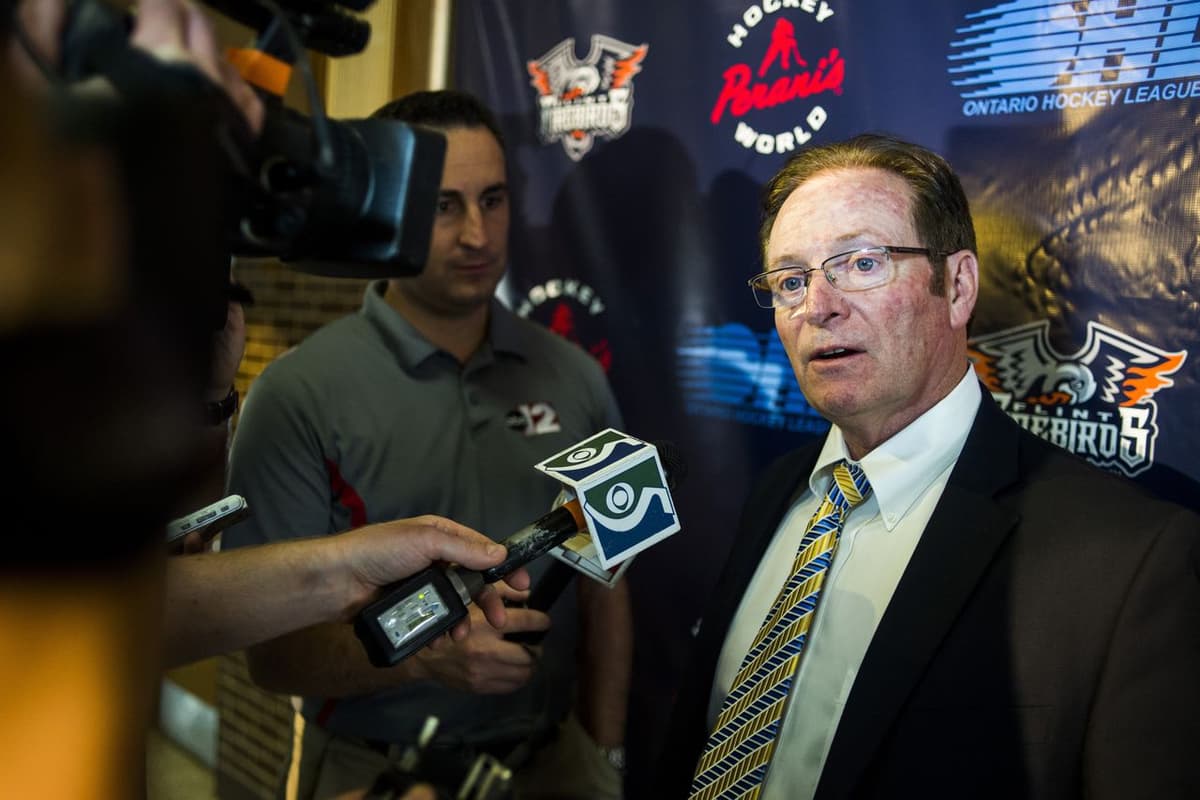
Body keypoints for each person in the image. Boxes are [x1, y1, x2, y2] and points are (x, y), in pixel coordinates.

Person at [658, 133, 1200, 799]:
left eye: (862, 263)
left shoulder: (1129, 560)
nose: (818, 306)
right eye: (792, 280)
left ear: (959, 286)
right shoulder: (777, 490)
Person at [225, 90, 632, 799]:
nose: (478, 234)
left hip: (555, 763)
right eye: (444, 206)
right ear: (387, 209)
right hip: (375, 771)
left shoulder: (576, 377)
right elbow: (272, 656)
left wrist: (603, 755)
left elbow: (609, 589)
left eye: (493, 199)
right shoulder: (296, 395)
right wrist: (422, 660)